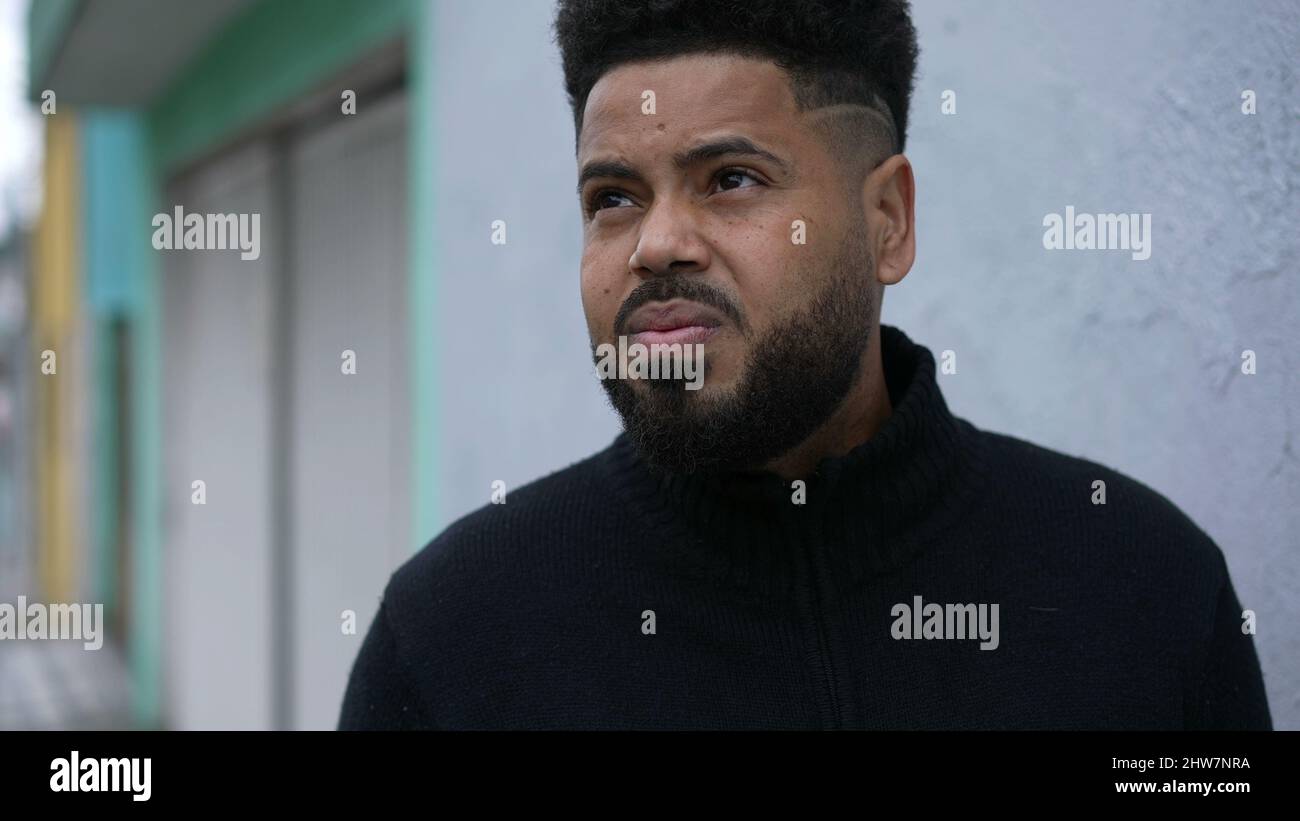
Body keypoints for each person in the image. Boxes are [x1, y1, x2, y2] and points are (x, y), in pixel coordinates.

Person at [338, 0, 1271, 730]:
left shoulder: (1143, 591)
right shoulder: (453, 637)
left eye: (731, 180)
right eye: (613, 196)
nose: (656, 243)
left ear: (888, 223)